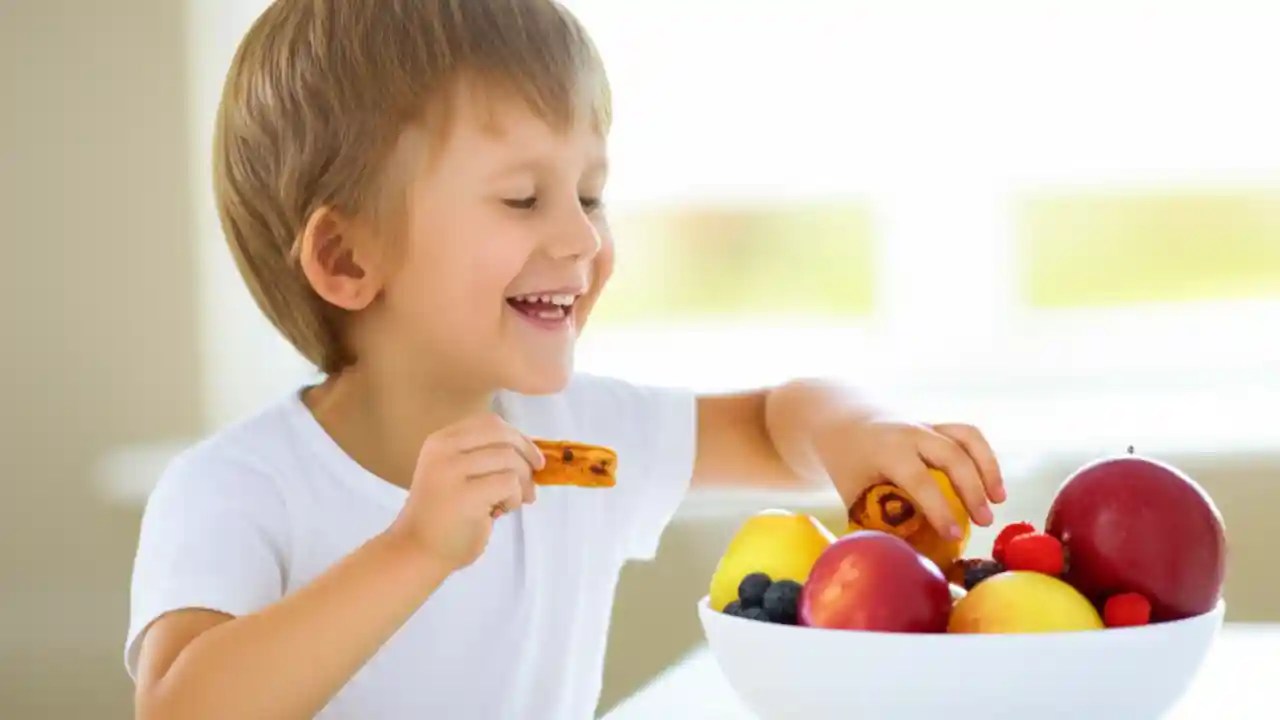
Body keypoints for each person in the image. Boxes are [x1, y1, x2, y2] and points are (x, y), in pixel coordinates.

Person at [125, 1, 1006, 718]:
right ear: (349, 260)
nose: (582, 236)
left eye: (590, 193)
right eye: (522, 197)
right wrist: (414, 547)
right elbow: (181, 708)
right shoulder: (235, 488)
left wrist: (857, 432)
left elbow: (776, 425)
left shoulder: (581, 437)